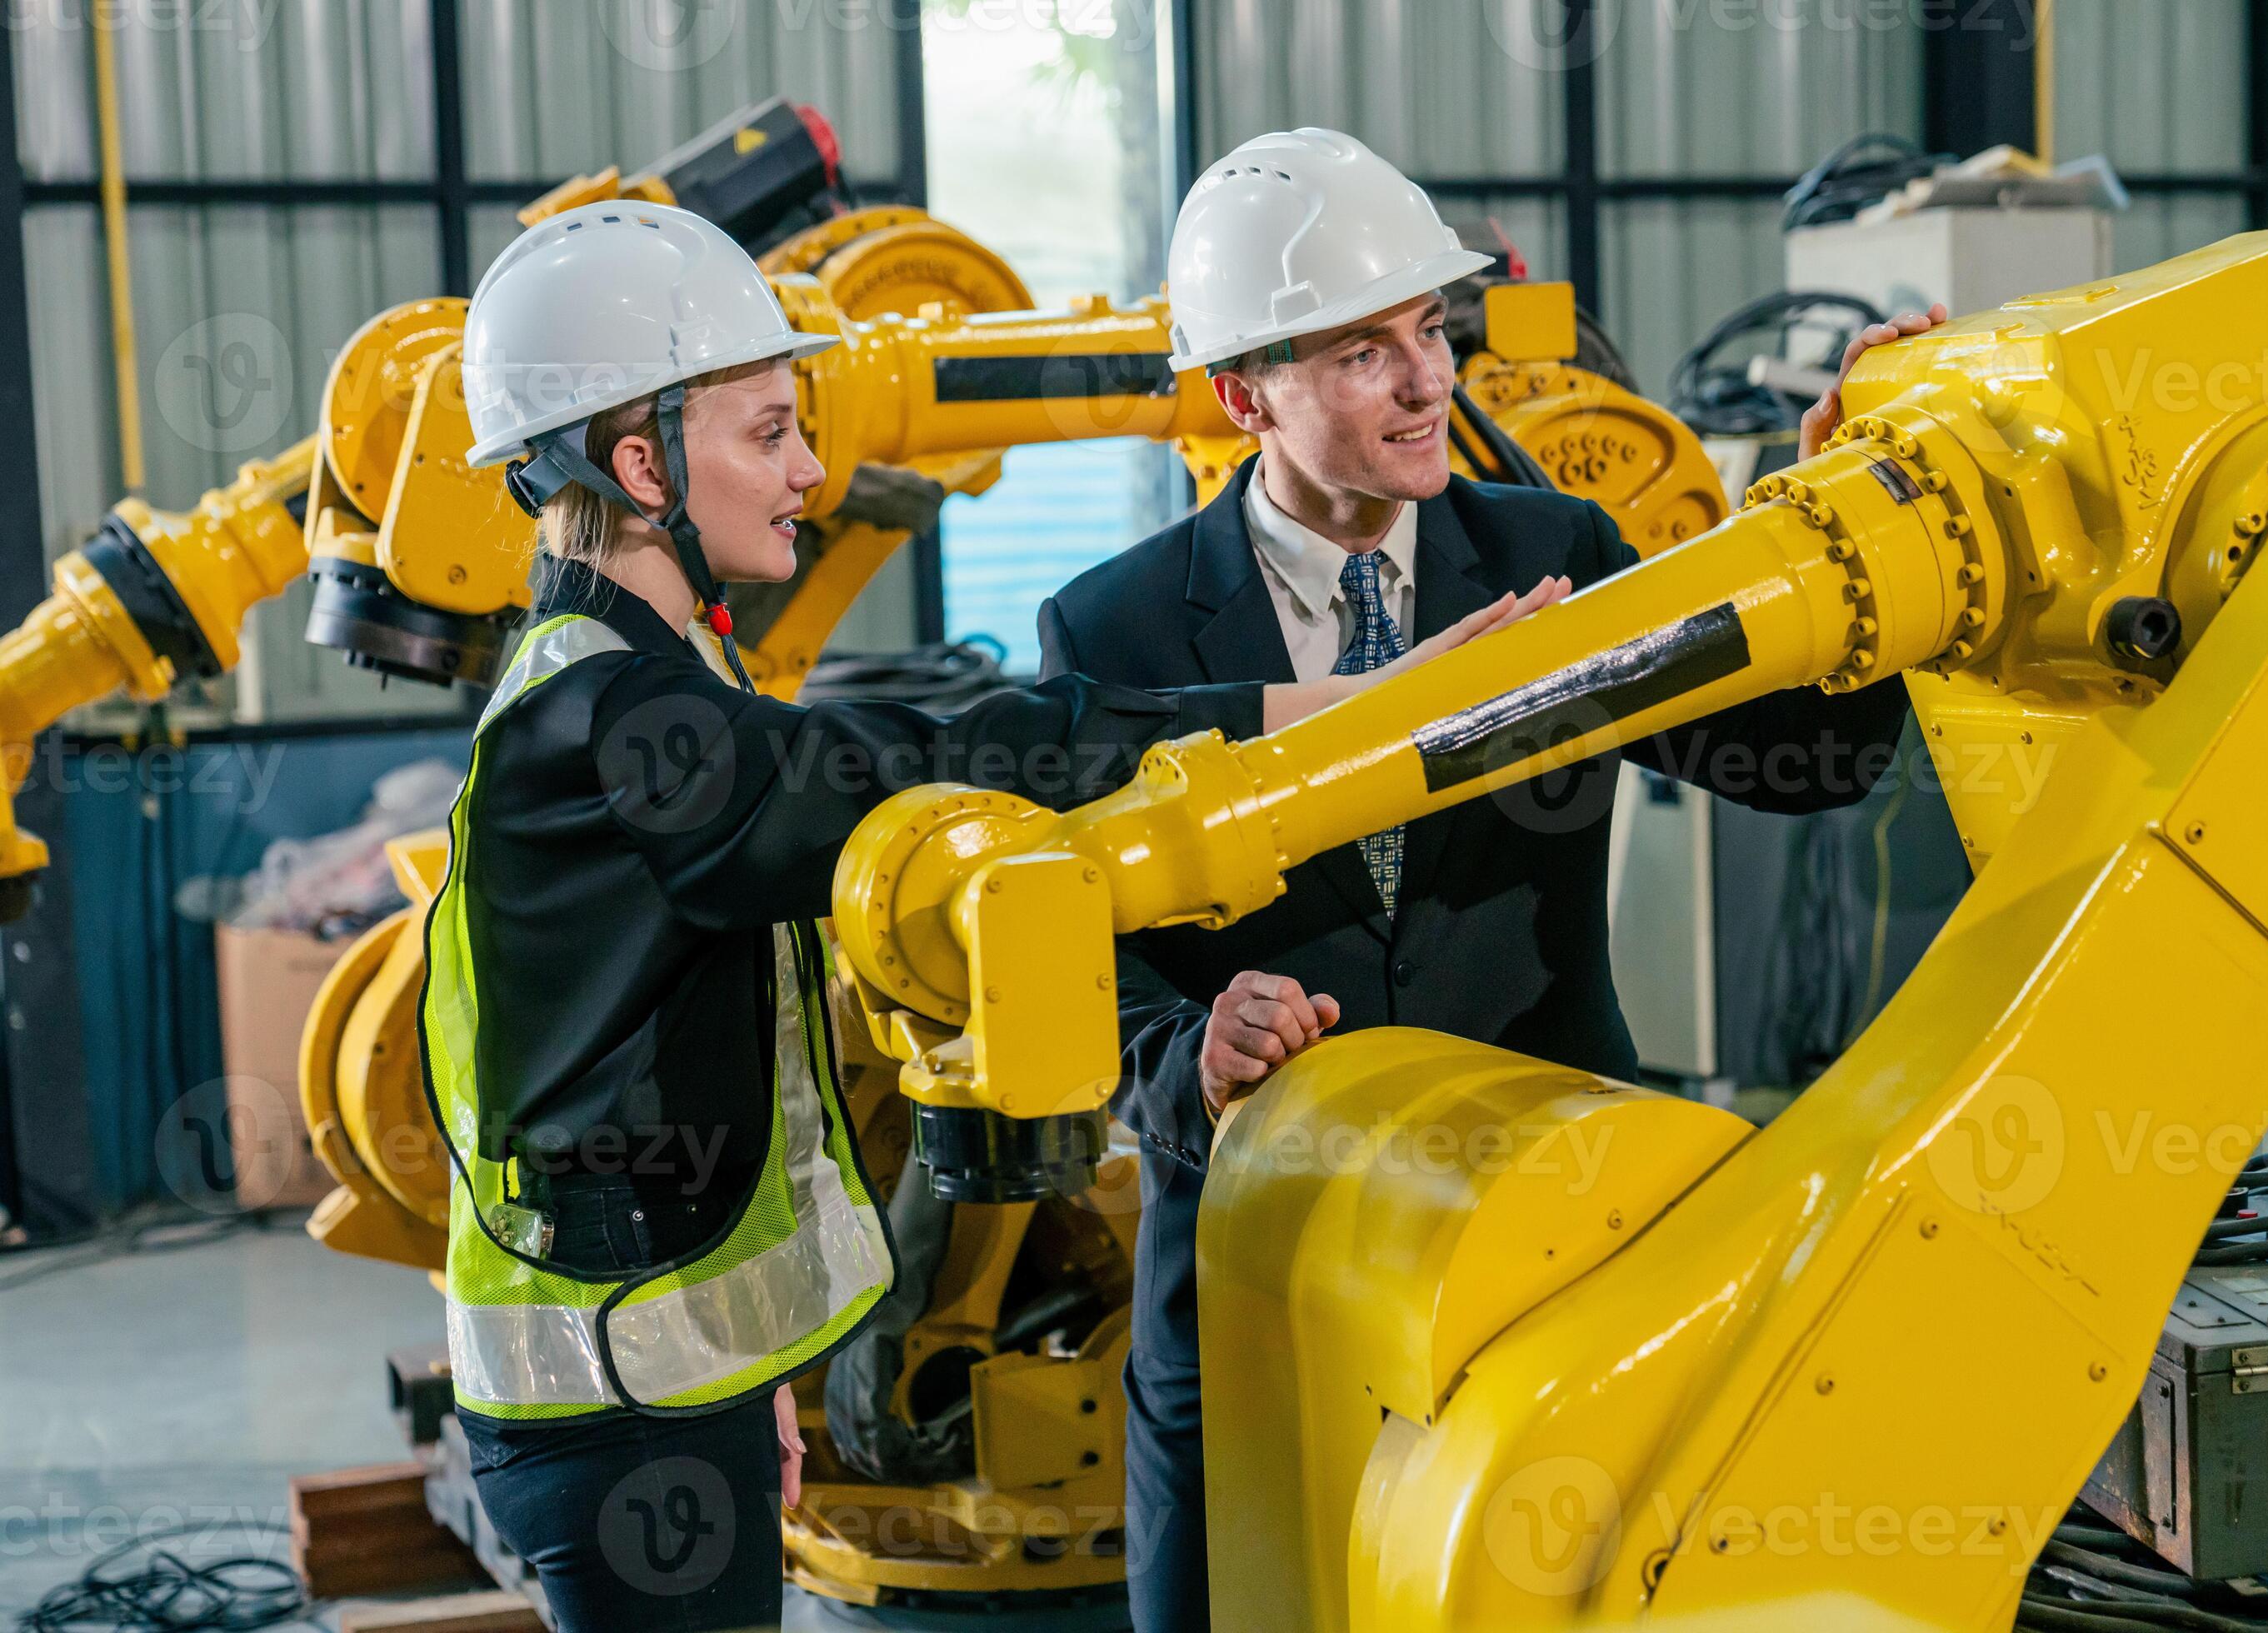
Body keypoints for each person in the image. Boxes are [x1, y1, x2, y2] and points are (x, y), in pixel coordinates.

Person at [428, 200, 1561, 1631]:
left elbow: (619, 1067)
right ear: (642, 463)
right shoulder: (617, 718)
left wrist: (751, 1371)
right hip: (618, 1412)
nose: (813, 470)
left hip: (648, 1384)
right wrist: (1338, 708)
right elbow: (930, 754)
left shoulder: (613, 684)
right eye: (769, 434)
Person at [1037, 128, 1916, 1633]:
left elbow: (1804, 762)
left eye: (1433, 331)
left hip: (1548, 1236)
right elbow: (1069, 948)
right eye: (1368, 349)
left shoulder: (1555, 554)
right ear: (1246, 391)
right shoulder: (1112, 631)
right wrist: (1187, 1053)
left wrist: (1854, 516)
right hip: (1260, 1259)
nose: (1430, 379)